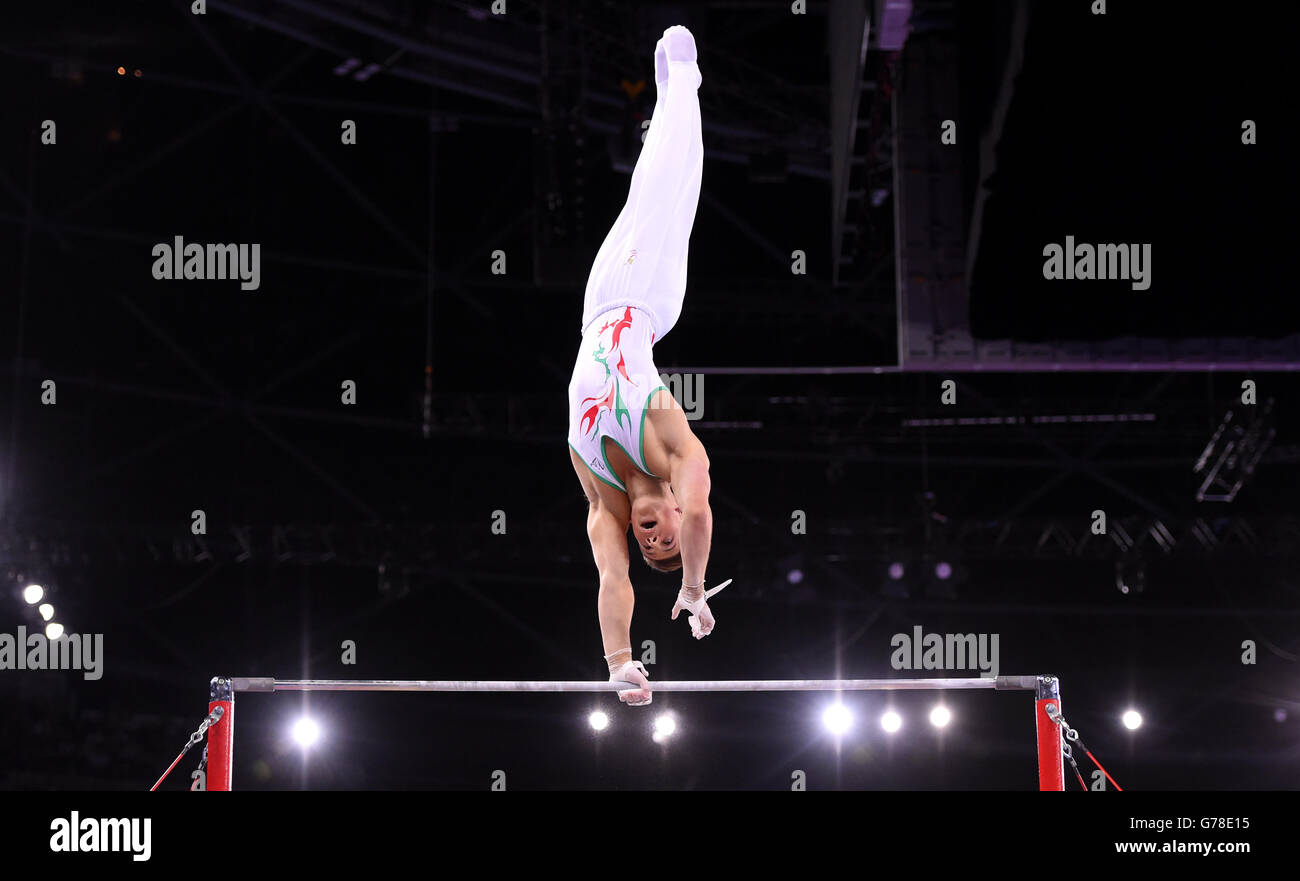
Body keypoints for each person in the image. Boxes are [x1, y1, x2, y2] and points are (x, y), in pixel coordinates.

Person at [566, 26, 722, 707]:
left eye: (648, 543)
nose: (654, 537)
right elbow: (699, 512)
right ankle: (680, 82)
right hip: (654, 300)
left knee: (655, 185)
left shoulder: (602, 499)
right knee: (673, 183)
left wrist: (619, 661)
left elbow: (612, 580)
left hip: (603, 297)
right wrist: (690, 585)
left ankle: (675, 87)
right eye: (667, 541)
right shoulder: (669, 443)